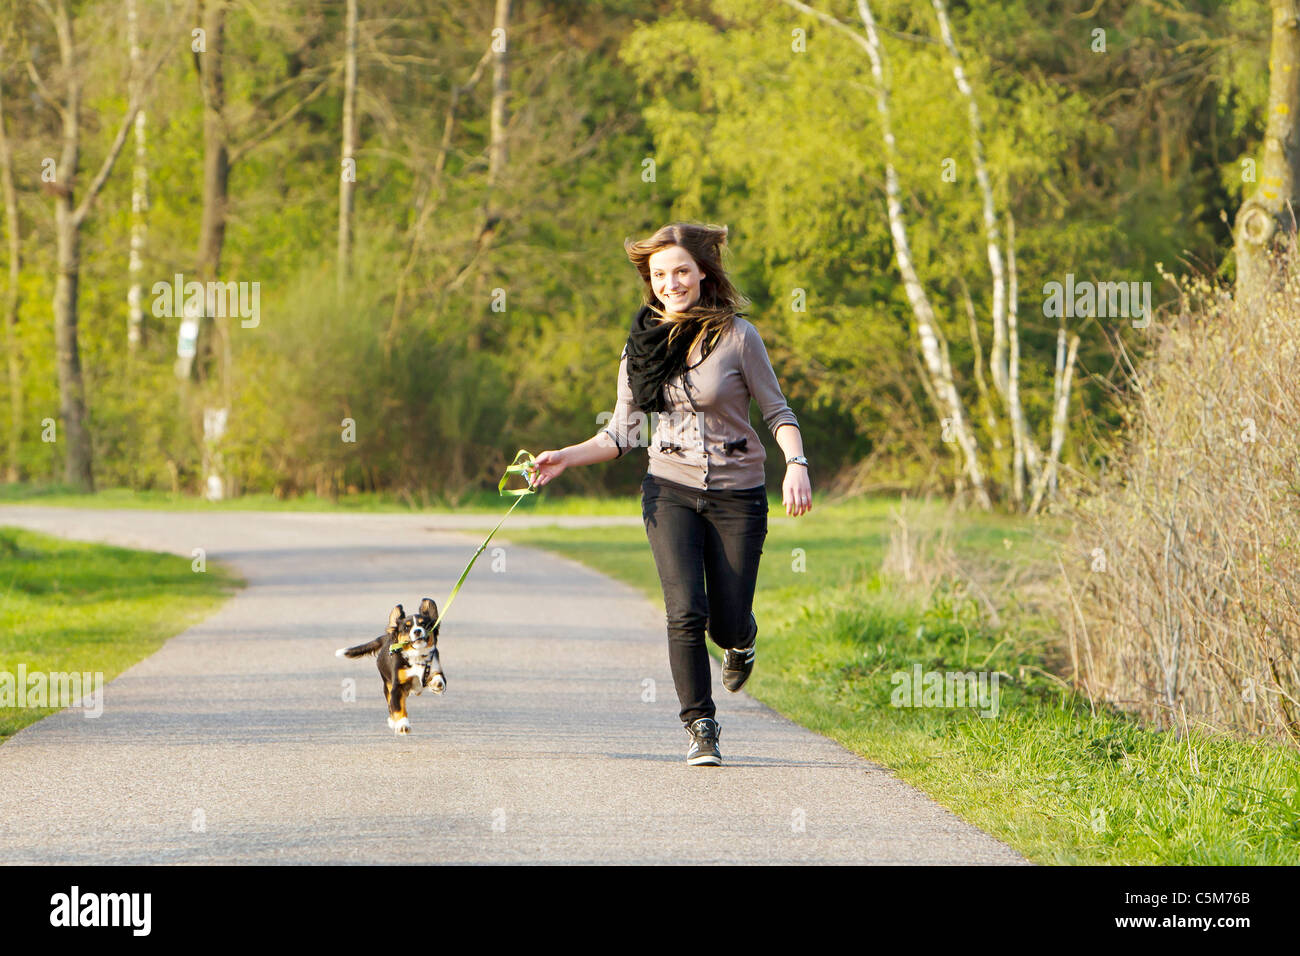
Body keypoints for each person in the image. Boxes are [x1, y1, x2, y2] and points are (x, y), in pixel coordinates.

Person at [532, 222, 811, 766]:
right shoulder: (640, 346)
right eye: (659, 274)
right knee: (685, 611)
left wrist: (795, 463)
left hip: (739, 493)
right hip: (670, 489)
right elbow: (622, 434)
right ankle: (701, 725)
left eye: (681, 270)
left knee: (726, 621)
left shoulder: (738, 337)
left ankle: (741, 639)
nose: (670, 283)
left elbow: (778, 411)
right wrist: (565, 456)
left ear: (703, 272)